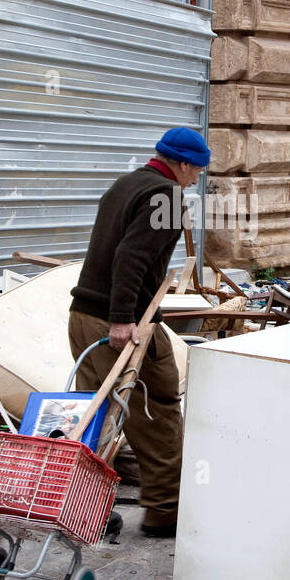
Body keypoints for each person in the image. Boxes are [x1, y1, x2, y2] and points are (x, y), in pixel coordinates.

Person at [68, 127, 210, 538]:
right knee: (158, 408)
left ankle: (80, 508)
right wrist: (121, 319)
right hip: (121, 323)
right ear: (181, 164)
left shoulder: (126, 183)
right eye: (196, 170)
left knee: (91, 421)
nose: (196, 178)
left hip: (82, 317)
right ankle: (166, 513)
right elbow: (129, 257)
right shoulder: (166, 195)